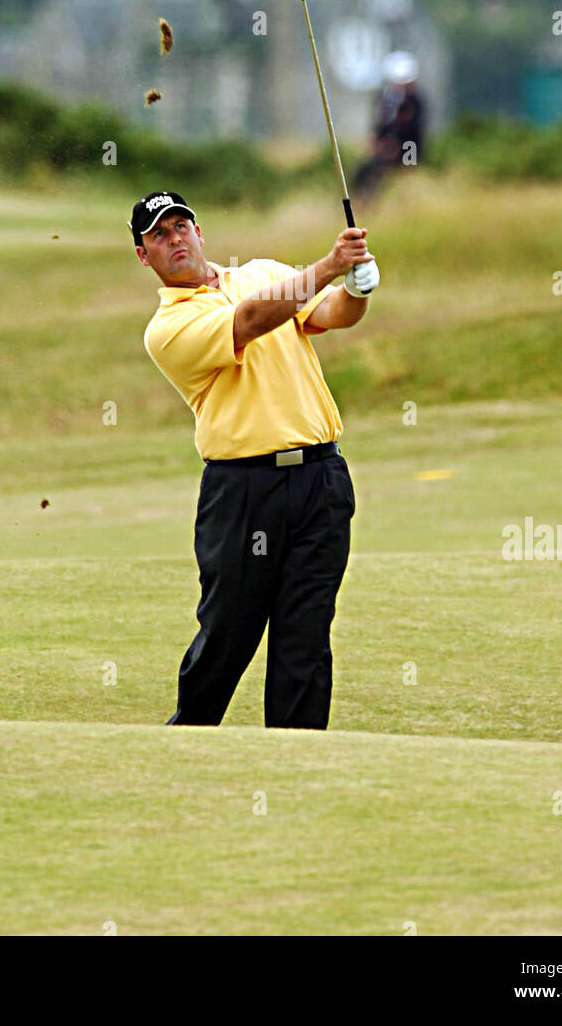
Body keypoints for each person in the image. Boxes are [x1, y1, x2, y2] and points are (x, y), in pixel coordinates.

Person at [132, 189, 379, 730]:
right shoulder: (167, 329)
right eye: (159, 234)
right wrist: (330, 265)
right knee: (228, 634)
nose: (174, 239)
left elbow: (331, 314)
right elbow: (250, 320)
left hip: (321, 481)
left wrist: (357, 289)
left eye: (181, 227)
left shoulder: (263, 272)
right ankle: (188, 741)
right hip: (243, 492)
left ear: (200, 233)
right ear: (144, 255)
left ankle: (294, 759)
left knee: (306, 635)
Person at [352, 51, 426, 199]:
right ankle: (362, 199)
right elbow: (380, 124)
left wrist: (395, 145)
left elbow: (411, 129)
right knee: (365, 170)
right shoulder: (385, 98)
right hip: (387, 148)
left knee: (404, 168)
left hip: (408, 146)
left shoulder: (413, 100)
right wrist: (378, 142)